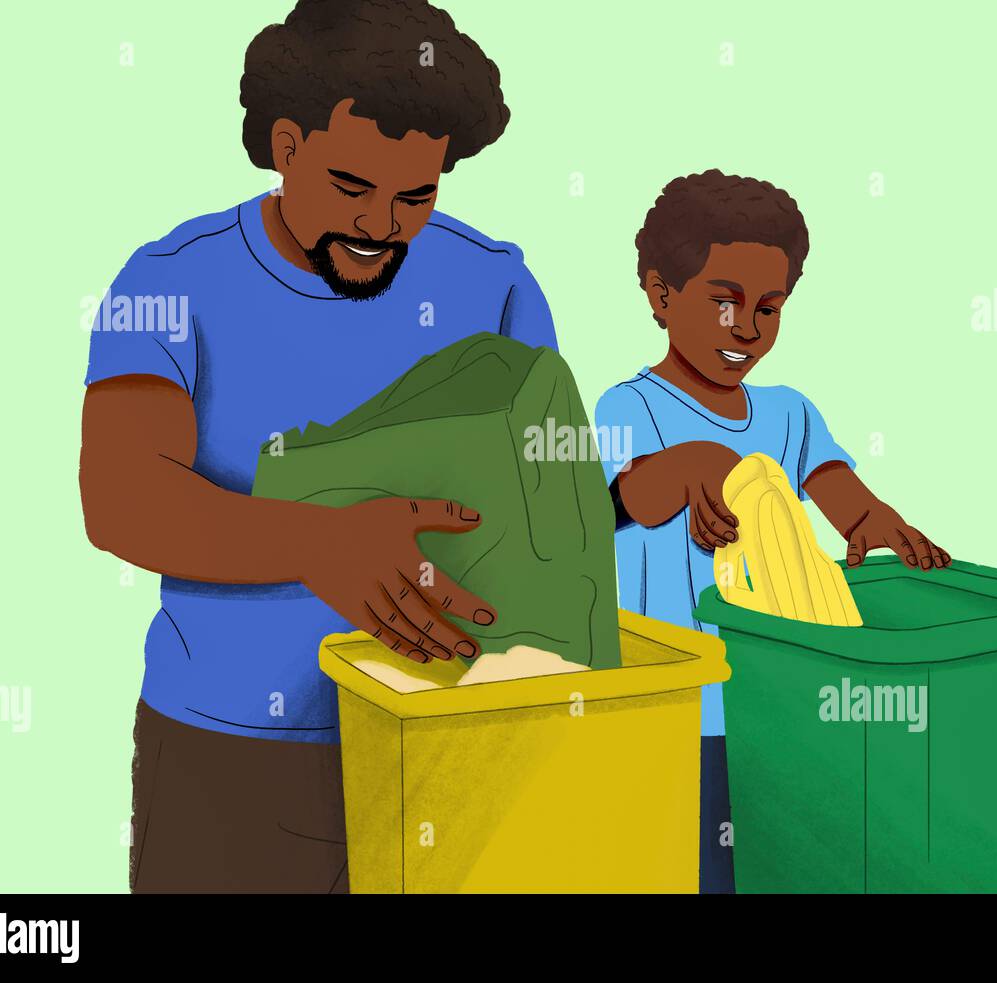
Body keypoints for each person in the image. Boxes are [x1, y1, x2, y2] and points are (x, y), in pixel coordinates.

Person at [79, 0, 556, 893]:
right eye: (351, 186)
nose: (383, 224)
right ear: (287, 146)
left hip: (450, 739)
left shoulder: (497, 284)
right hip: (229, 757)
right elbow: (120, 495)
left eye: (417, 195)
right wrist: (320, 544)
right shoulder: (170, 280)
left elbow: (551, 503)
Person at [594, 170, 951, 893]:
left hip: (780, 711)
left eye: (769, 305)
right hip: (671, 715)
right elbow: (620, 499)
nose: (747, 328)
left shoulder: (789, 414)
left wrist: (882, 525)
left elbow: (844, 500)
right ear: (662, 296)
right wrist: (691, 466)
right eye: (723, 301)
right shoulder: (629, 406)